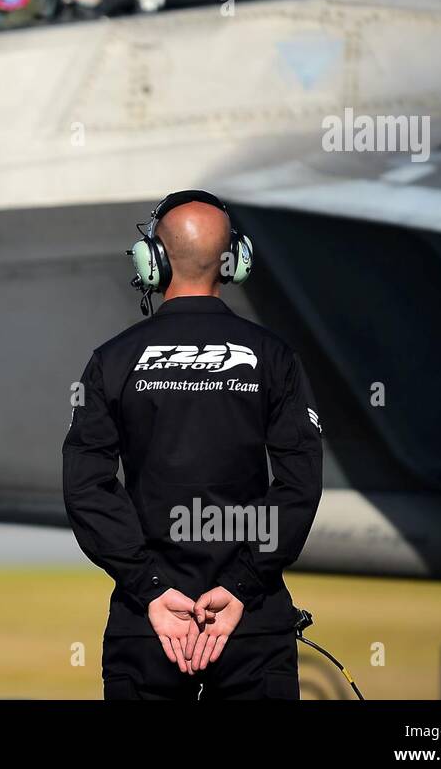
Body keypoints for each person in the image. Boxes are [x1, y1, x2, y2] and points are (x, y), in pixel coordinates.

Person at [62, 190, 323, 700]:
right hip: (251, 625)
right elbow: (299, 483)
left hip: (149, 626)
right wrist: (243, 585)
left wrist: (151, 589)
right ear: (236, 260)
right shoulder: (275, 357)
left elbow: (86, 487)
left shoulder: (112, 361)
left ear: (153, 261)